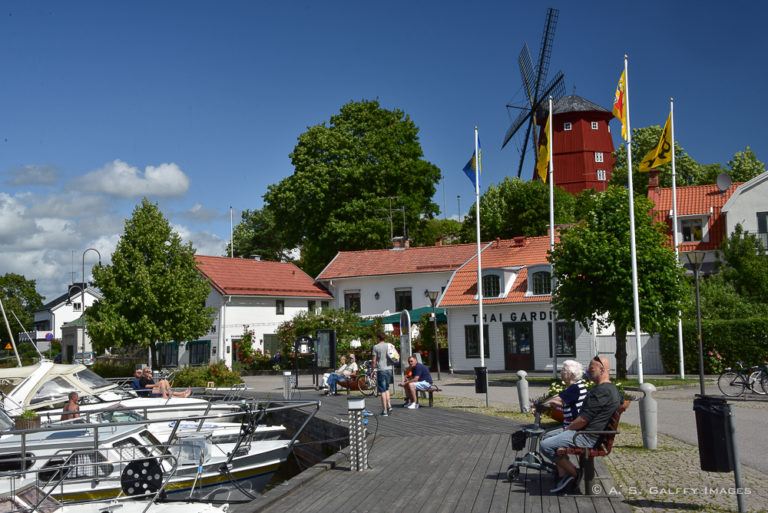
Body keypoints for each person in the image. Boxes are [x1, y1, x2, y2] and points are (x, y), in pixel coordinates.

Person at [540, 356, 622, 494]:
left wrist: (566, 429)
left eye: (591, 369)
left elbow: (583, 420)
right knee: (546, 436)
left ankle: (575, 474)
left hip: (586, 436)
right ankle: (564, 474)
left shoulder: (603, 391)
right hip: (588, 433)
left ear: (602, 370)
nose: (588, 372)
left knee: (545, 445)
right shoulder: (606, 389)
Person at [540, 359, 588, 430]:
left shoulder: (574, 388)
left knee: (545, 437)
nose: (561, 372)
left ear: (571, 373)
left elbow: (557, 399)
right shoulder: (578, 385)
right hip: (572, 425)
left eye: (564, 370)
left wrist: (541, 405)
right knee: (547, 433)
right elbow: (563, 400)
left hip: (572, 427)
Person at [371, 332, 395, 416]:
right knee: (387, 388)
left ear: (378, 338)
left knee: (382, 391)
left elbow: (374, 360)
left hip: (381, 369)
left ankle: (384, 410)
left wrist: (373, 369)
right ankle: (389, 406)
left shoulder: (376, 347)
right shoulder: (389, 345)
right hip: (389, 369)